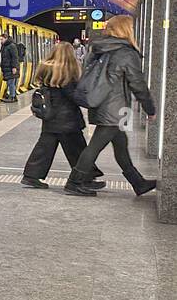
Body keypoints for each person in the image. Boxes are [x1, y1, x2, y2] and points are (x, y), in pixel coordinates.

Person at [65, 14, 157, 197]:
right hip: (116, 108)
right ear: (126, 30)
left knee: (121, 144)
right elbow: (137, 84)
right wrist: (150, 109)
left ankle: (138, 183)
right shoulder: (126, 53)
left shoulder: (98, 49)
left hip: (103, 104)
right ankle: (74, 182)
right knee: (96, 146)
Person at [21, 43, 101, 189]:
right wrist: (93, 103)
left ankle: (31, 175)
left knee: (45, 148)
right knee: (77, 148)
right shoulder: (67, 72)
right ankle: (85, 177)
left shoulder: (46, 68)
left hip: (50, 115)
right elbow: (74, 96)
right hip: (66, 119)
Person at [0, 33, 20, 102]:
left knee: (11, 83)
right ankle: (14, 97)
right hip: (7, 68)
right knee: (10, 82)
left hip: (10, 68)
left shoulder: (11, 46)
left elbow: (15, 57)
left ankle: (12, 97)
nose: (1, 41)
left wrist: (14, 67)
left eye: (2, 39)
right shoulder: (5, 46)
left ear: (6, 38)